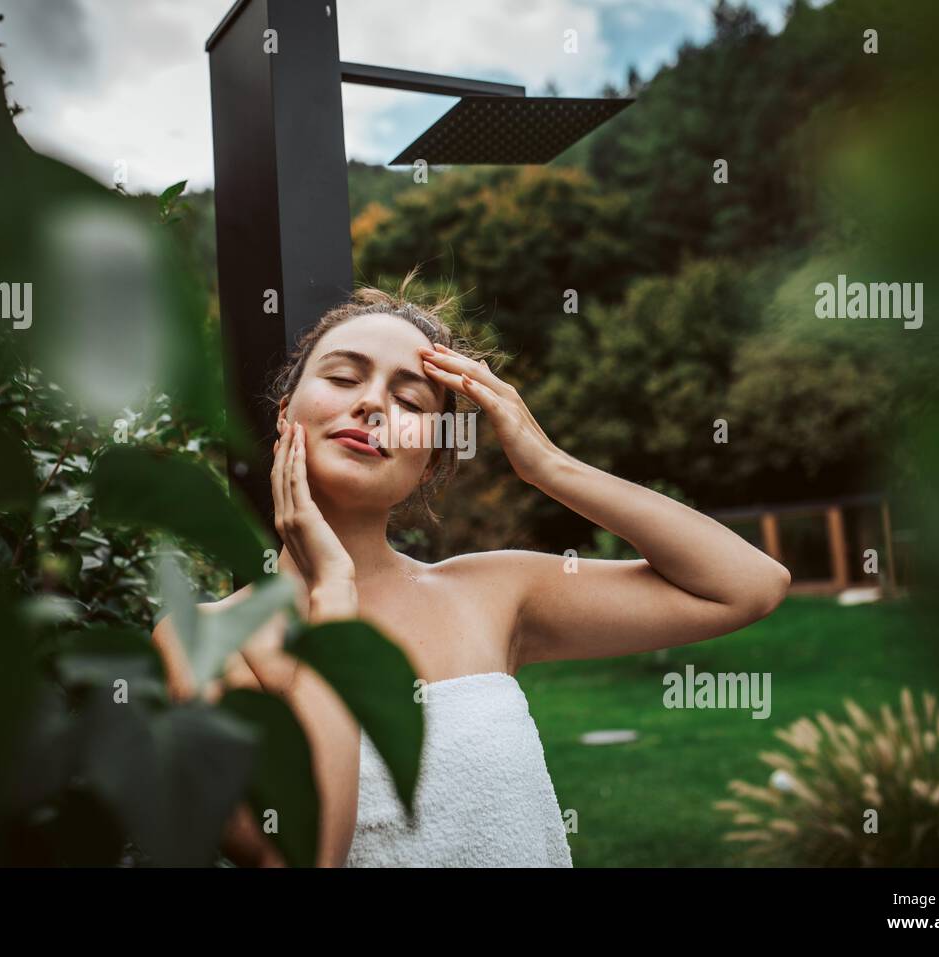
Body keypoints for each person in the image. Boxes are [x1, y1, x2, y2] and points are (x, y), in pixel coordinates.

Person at [151, 267, 791, 867]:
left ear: (430, 459)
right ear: (286, 412)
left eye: (409, 399)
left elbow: (748, 586)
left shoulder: (492, 593)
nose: (373, 404)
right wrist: (334, 604)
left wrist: (549, 467)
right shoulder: (203, 638)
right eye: (344, 379)